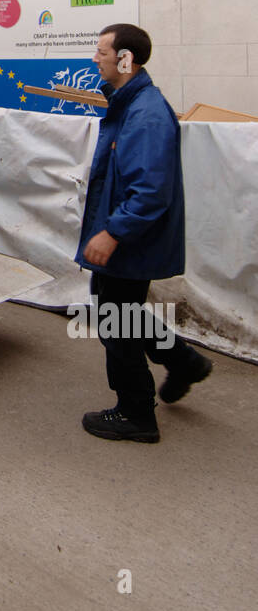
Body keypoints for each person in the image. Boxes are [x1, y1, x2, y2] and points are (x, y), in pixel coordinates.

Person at [76, 23, 211, 443]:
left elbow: (150, 192)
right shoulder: (131, 104)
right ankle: (184, 362)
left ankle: (136, 413)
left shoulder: (146, 115)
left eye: (101, 52)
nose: (94, 59)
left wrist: (112, 233)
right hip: (128, 236)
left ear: (125, 60)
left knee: (116, 321)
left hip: (131, 239)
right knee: (119, 311)